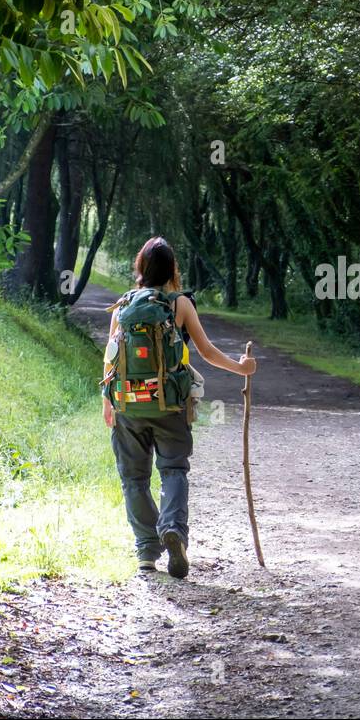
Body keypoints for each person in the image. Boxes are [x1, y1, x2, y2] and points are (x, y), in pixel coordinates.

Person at [103, 236, 256, 579]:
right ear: (173, 269)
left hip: (128, 403)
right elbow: (207, 352)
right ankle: (172, 529)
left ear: (139, 267)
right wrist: (242, 367)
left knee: (133, 478)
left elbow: (110, 358)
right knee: (173, 470)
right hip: (170, 405)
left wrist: (107, 401)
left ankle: (146, 551)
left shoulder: (123, 305)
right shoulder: (180, 304)